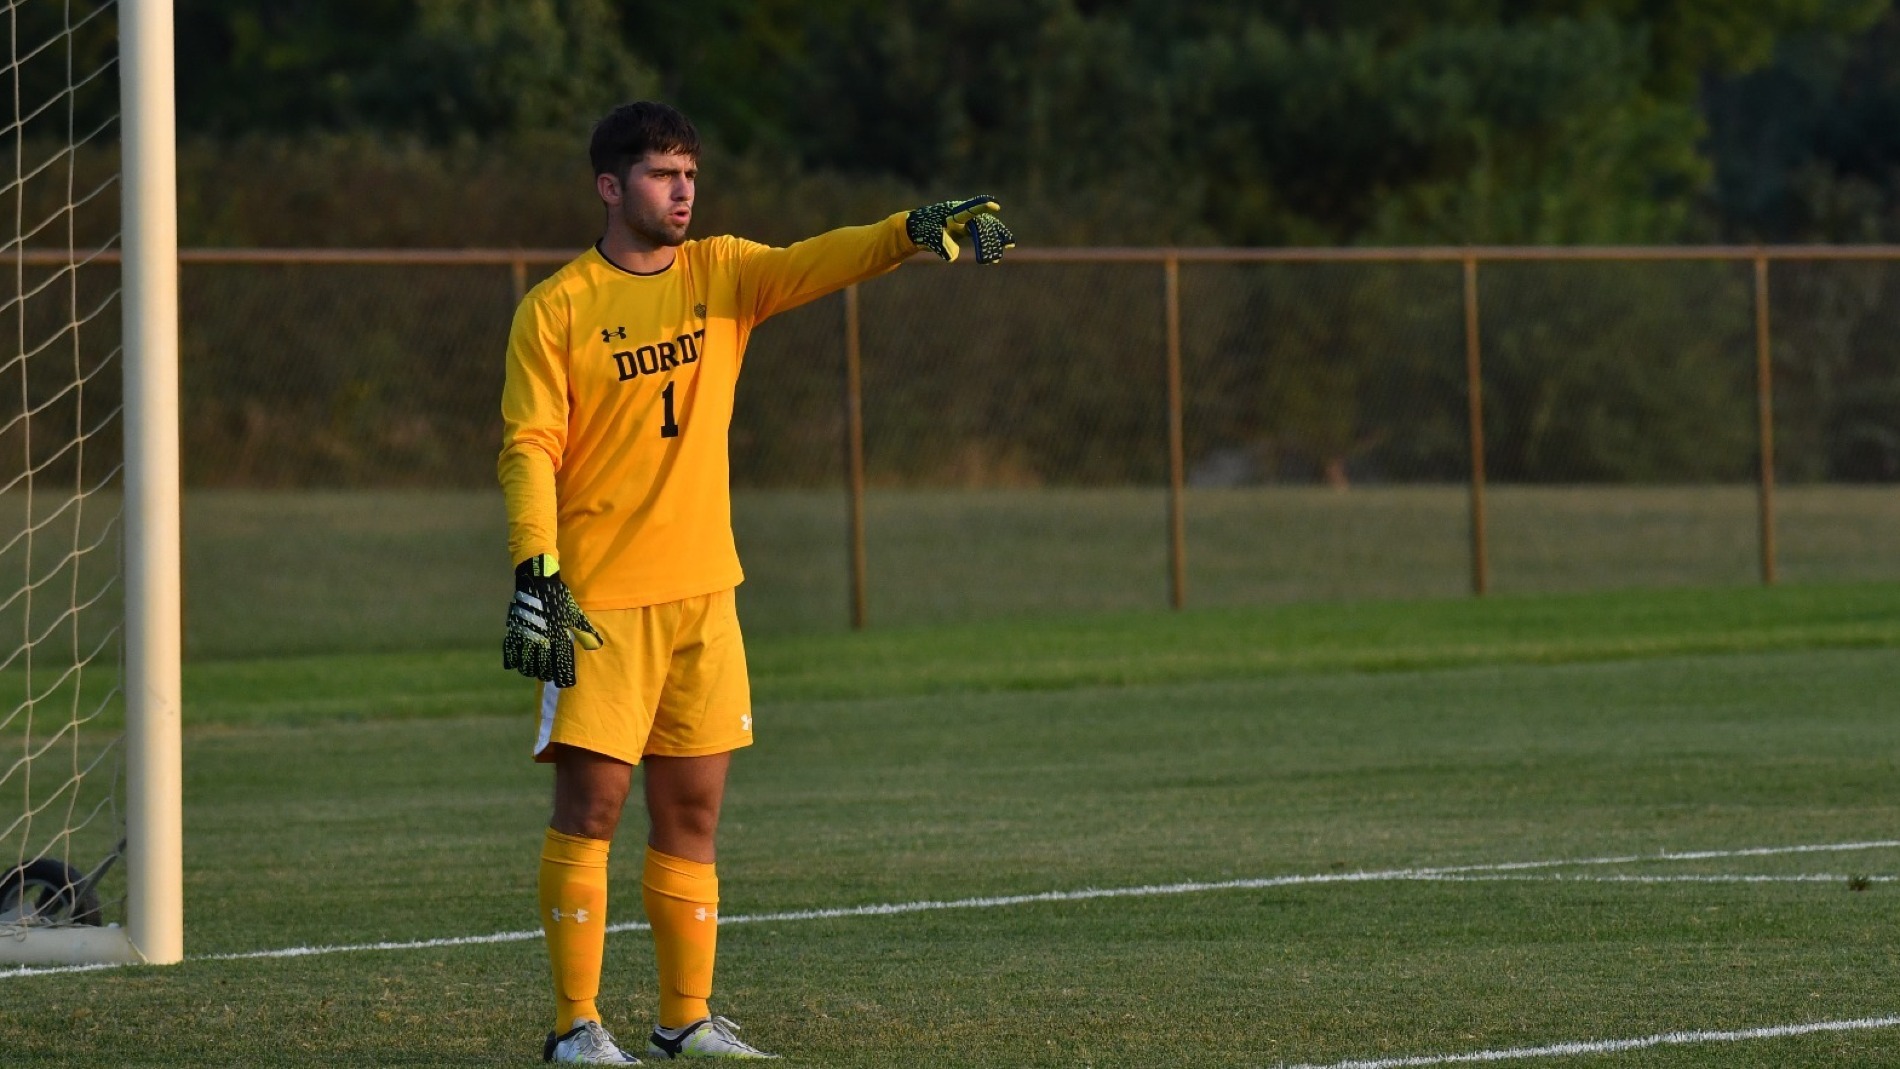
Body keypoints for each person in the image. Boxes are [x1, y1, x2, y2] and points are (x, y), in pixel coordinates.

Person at [497, 101, 1013, 1065]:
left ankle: (684, 1018)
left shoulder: (724, 272)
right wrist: (538, 558)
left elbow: (827, 257)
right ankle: (575, 1027)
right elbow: (528, 443)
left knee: (692, 814)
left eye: (690, 171)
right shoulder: (556, 307)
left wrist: (906, 232)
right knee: (593, 812)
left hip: (705, 594)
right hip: (600, 602)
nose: (682, 189)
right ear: (611, 186)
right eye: (661, 173)